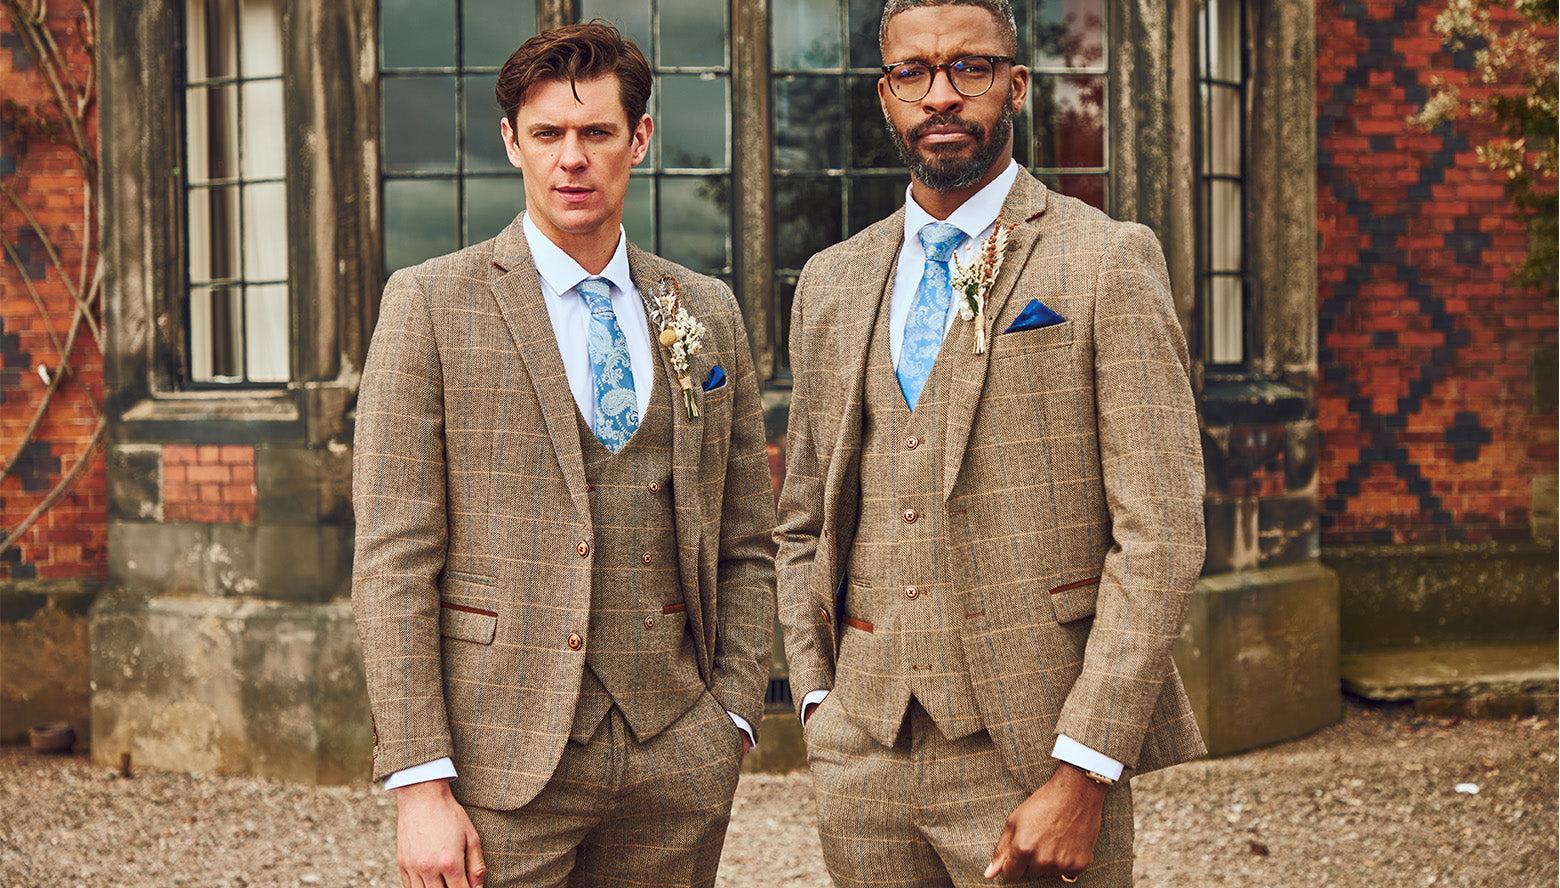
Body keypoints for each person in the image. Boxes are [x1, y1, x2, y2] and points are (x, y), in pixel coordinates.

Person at [775, 1, 1208, 884]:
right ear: (885, 96)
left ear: (1015, 85)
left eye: (969, 69)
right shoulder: (831, 281)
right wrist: (819, 698)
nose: (941, 94)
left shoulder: (1104, 260)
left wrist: (1086, 765)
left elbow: (1160, 534)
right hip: (864, 747)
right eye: (914, 73)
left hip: (1033, 750)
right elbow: (801, 519)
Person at [351, 21, 775, 888]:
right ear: (512, 141)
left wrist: (729, 717)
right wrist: (421, 782)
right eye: (547, 134)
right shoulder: (428, 304)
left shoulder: (704, 308)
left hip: (676, 758)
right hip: (500, 762)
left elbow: (747, 540)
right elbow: (394, 556)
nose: (571, 159)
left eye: (596, 133)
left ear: (640, 139)